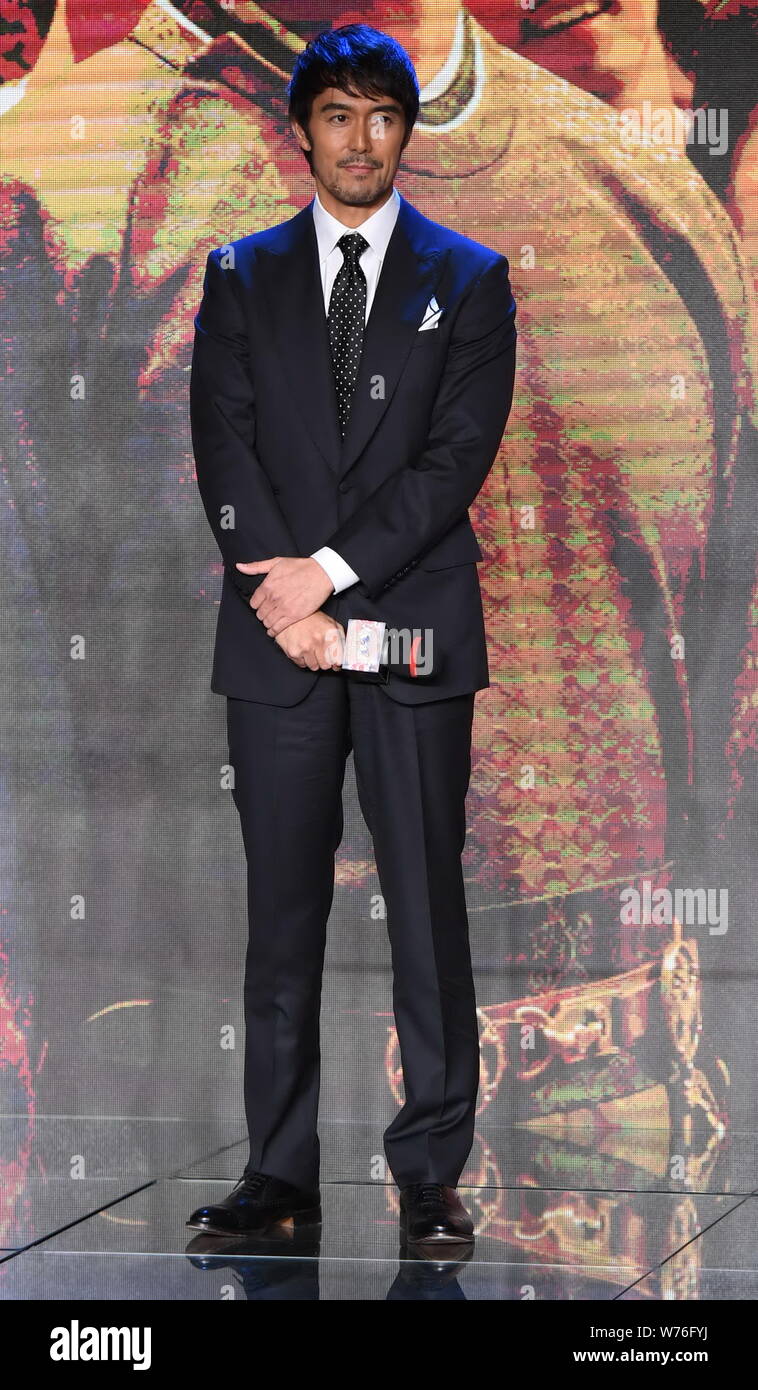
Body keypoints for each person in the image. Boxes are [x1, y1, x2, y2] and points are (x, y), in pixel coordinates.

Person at [186, 22, 517, 1246]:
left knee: (428, 908)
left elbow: (453, 462)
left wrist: (327, 578)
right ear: (303, 130)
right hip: (275, 642)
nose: (360, 138)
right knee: (281, 916)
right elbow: (223, 441)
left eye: (383, 115)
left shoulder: (468, 277)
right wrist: (288, 599)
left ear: (407, 130)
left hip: (410, 637)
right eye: (337, 115)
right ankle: (277, 1176)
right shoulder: (238, 273)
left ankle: (428, 1169)